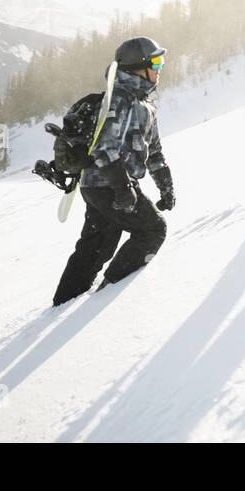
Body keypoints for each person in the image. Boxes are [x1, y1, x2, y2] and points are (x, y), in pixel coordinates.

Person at [52, 36, 176, 306]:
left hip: (98, 187)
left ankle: (63, 301)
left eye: (161, 61)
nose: (160, 68)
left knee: (97, 246)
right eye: (156, 62)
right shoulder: (120, 100)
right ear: (138, 67)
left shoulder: (145, 106)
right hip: (110, 186)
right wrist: (123, 188)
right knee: (153, 230)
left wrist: (166, 186)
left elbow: (153, 151)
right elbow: (104, 148)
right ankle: (105, 297)